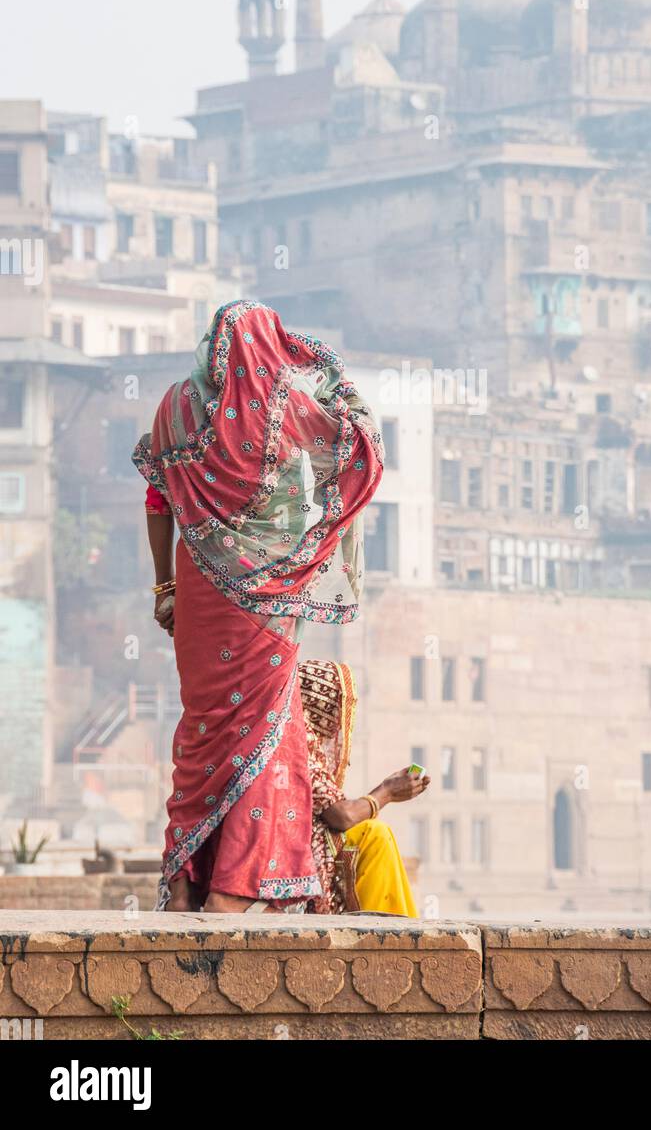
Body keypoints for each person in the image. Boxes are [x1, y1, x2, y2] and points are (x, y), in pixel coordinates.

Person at [132, 300, 383, 913]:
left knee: (203, 729)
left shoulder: (177, 407)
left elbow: (158, 500)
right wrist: (324, 365)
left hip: (196, 594)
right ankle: (233, 887)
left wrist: (164, 588)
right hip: (266, 603)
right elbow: (357, 446)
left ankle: (187, 875)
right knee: (262, 737)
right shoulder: (283, 407)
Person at [300, 658, 429, 915]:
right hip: (290, 850)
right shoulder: (297, 742)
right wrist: (387, 792)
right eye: (339, 706)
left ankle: (396, 931)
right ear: (320, 703)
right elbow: (341, 816)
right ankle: (390, 936)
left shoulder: (303, 743)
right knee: (375, 835)